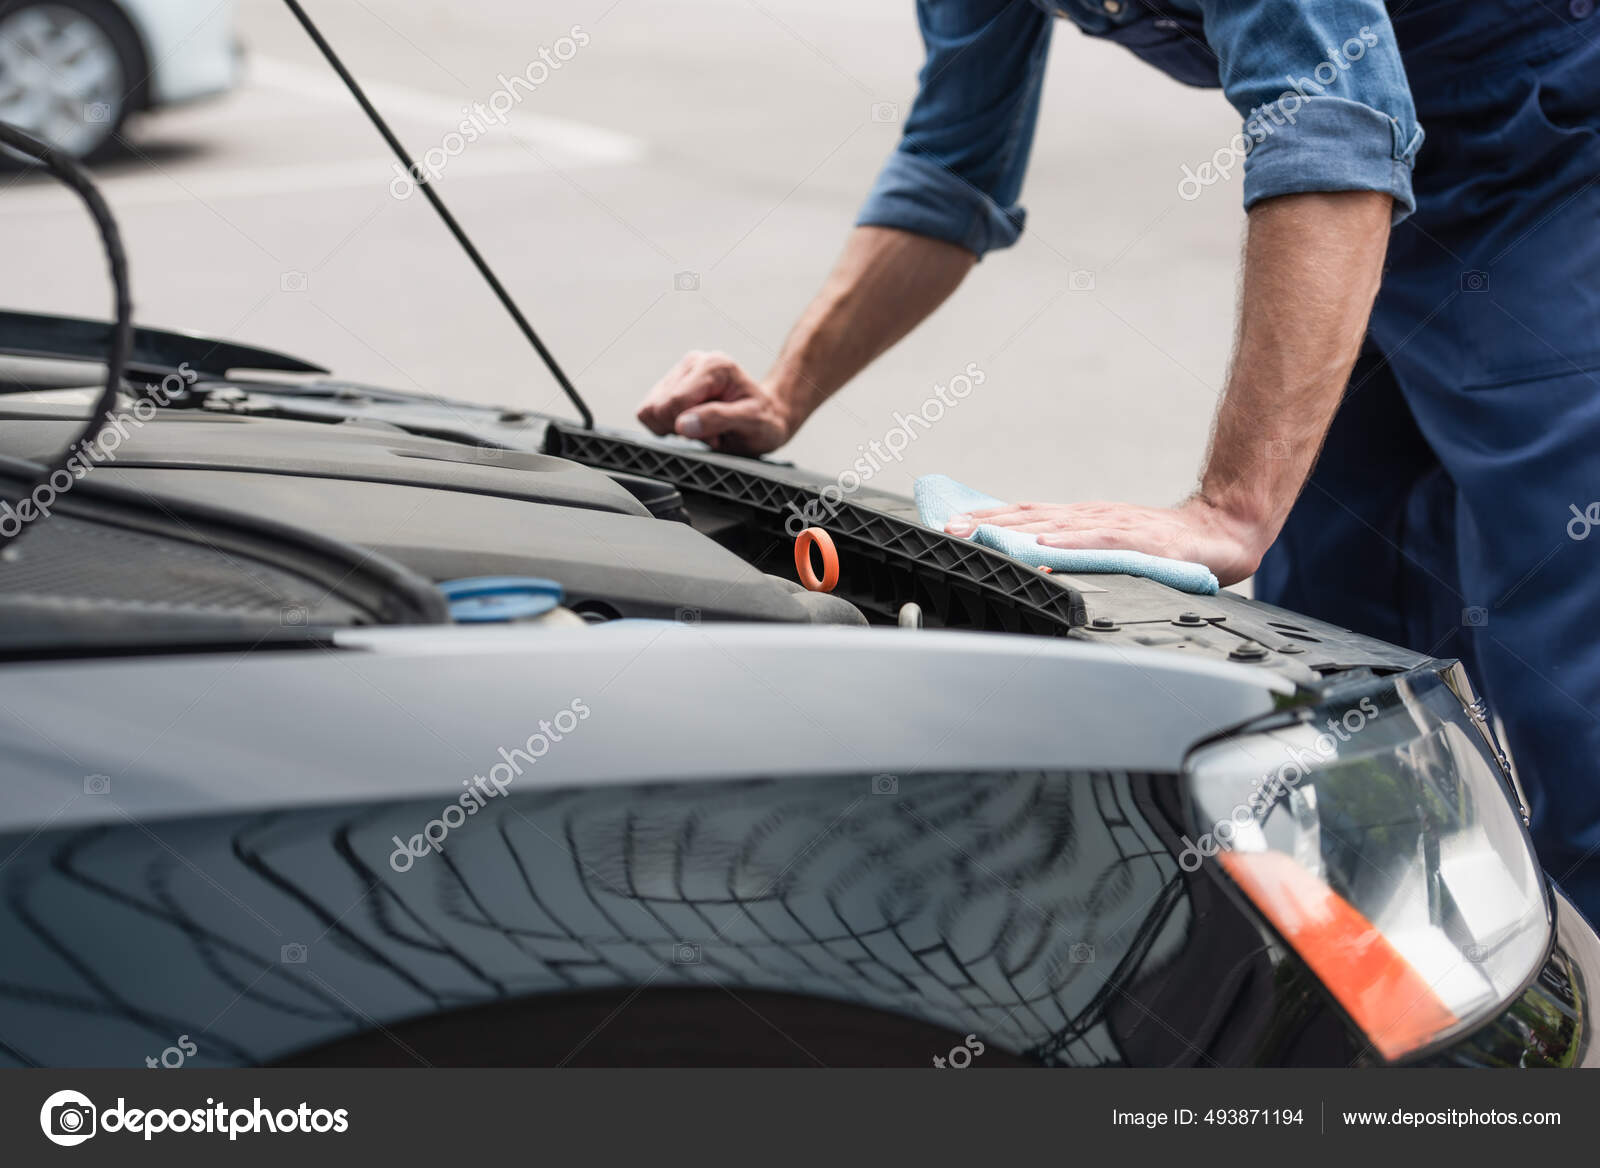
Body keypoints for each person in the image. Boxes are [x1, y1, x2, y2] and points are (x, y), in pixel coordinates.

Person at [635, 1, 1600, 919]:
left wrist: (1230, 507)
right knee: (1340, 670)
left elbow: (1332, 119)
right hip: (1366, 207)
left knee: (1569, 682)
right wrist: (787, 391)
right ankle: (1407, 996)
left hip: (1555, 166)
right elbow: (951, 168)